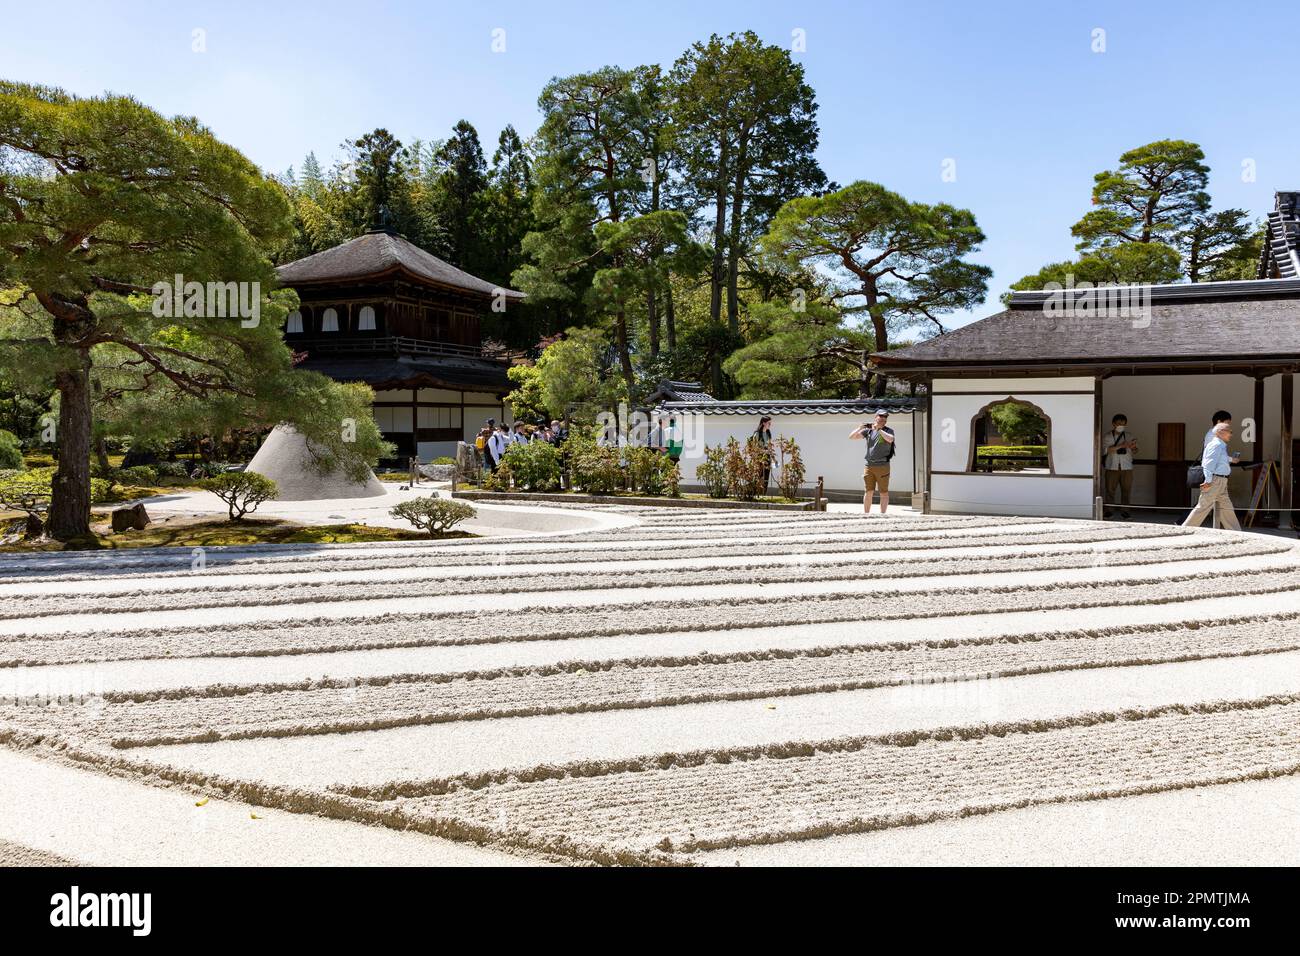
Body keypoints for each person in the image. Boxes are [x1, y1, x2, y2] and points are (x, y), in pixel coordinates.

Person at [1183, 421, 1241, 530]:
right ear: (1221, 432)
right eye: (1230, 431)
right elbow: (1208, 464)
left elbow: (1219, 459)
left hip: (1221, 481)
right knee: (1203, 506)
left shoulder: (1220, 445)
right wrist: (1208, 481)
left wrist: (1231, 459)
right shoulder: (1216, 445)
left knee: (1226, 507)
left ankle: (1236, 531)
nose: (1231, 434)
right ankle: (1185, 529)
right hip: (1215, 480)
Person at [850, 410, 895, 514]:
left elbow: (890, 439)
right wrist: (860, 427)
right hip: (869, 466)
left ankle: (882, 515)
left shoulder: (888, 430)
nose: (883, 418)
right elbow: (852, 437)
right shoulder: (869, 431)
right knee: (868, 491)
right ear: (876, 417)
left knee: (883, 492)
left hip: (883, 466)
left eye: (885, 417)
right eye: (881, 416)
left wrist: (879, 430)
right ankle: (866, 514)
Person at [1101, 413, 1137, 519]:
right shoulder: (1107, 436)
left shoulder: (1130, 436)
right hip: (1112, 466)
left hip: (1127, 467)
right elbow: (1106, 450)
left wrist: (1133, 447)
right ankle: (1108, 511)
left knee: (1126, 490)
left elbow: (1135, 451)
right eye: (1119, 423)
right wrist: (1121, 445)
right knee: (1110, 490)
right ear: (1113, 424)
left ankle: (1125, 512)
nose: (1121, 426)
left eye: (1123, 424)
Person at [752, 416, 774, 494]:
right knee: (759, 475)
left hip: (767, 457)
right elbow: (755, 448)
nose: (770, 425)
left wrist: (770, 451)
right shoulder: (757, 434)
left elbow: (770, 445)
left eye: (770, 423)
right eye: (769, 423)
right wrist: (765, 450)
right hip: (759, 457)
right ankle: (755, 493)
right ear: (763, 423)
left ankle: (764, 493)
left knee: (766, 476)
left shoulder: (768, 433)